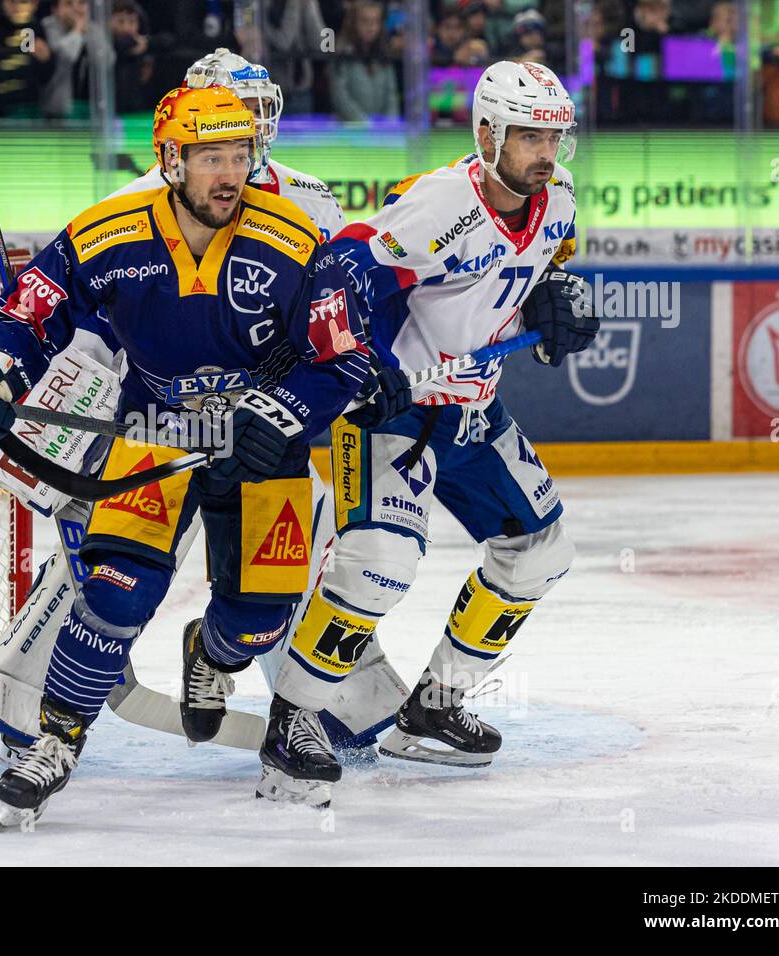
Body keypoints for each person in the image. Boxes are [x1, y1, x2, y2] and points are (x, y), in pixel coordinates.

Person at [0, 84, 369, 829]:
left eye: (240, 155)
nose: (229, 173)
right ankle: (55, 739)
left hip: (258, 449)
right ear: (172, 160)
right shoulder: (111, 232)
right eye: (211, 157)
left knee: (257, 623)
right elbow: (30, 307)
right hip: (153, 431)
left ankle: (209, 654)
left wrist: (284, 415)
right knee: (115, 594)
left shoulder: (296, 239)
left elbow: (343, 358)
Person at [266, 60, 598, 800]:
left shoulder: (561, 200)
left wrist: (560, 300)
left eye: (556, 138)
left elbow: (543, 271)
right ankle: (292, 720)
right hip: (396, 412)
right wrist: (360, 358)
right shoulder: (439, 206)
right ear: (486, 134)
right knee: (379, 561)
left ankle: (432, 709)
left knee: (540, 553)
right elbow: (341, 271)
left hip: (475, 411)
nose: (547, 154)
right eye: (529, 138)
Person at [111, 47, 346, 241]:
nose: (254, 123)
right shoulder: (129, 206)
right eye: (241, 109)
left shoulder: (313, 198)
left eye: (259, 109)